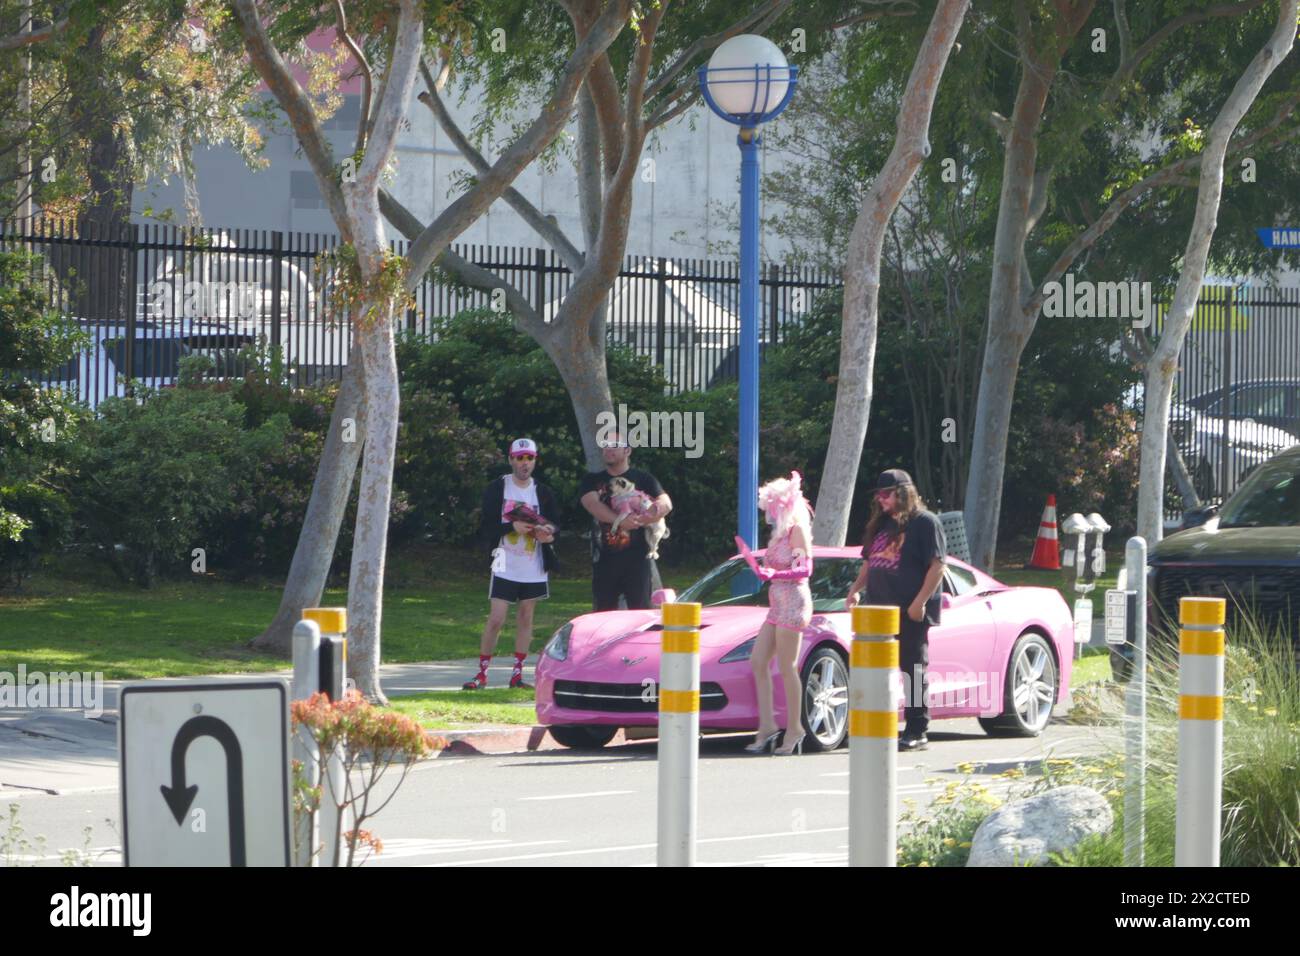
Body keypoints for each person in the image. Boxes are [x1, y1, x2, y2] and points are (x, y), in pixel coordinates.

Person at [845, 469, 946, 751]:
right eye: (878, 495)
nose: (881, 499)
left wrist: (920, 602)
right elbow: (869, 562)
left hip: (908, 609)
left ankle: (917, 729)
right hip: (878, 610)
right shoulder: (880, 524)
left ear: (904, 493)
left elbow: (938, 565)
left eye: (886, 494)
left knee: (913, 670)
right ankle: (878, 724)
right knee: (877, 671)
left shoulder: (925, 523)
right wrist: (855, 590)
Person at [465, 438, 560, 691]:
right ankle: (482, 673)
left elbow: (555, 524)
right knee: (496, 618)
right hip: (504, 561)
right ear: (510, 460)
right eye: (519, 458)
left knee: (526, 616)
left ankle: (517, 675)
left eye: (529, 458)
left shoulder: (543, 491)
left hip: (533, 564)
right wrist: (512, 526)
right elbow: (486, 527)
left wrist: (548, 532)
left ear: (535, 461)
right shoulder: (498, 488)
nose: (524, 463)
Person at [745, 472, 815, 756]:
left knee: (788, 666)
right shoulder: (778, 536)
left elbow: (805, 570)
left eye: (772, 508)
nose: (769, 514)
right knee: (758, 661)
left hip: (794, 601)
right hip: (777, 602)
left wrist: (775, 572)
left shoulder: (796, 531)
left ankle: (795, 728)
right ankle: (767, 725)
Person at [579, 430, 672, 611]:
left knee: (641, 616)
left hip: (638, 561)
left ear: (627, 450)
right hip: (605, 561)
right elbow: (592, 504)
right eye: (605, 446)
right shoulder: (592, 480)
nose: (608, 450)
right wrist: (620, 521)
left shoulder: (644, 479)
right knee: (603, 618)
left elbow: (666, 504)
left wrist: (648, 516)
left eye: (614, 445)